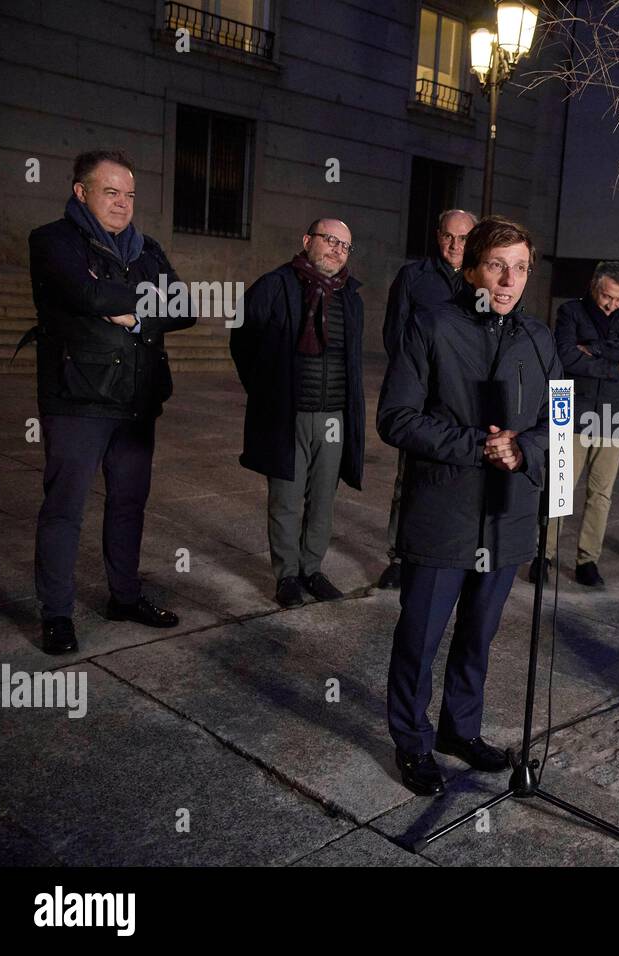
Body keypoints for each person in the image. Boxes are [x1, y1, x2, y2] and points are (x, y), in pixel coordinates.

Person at [377, 217, 560, 797]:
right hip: (444, 511)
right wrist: (477, 445)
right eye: (497, 266)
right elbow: (396, 418)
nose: (509, 280)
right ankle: (412, 741)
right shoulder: (431, 325)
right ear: (473, 268)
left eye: (521, 268)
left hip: (508, 514)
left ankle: (461, 729)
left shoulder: (540, 338)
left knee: (478, 635)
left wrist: (524, 449)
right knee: (421, 636)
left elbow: (560, 416)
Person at [26, 150, 192, 655]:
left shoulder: (147, 248)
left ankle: (125, 597)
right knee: (64, 510)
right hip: (77, 397)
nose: (123, 203)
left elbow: (184, 306)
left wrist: (131, 313)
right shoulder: (52, 240)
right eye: (111, 192)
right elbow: (85, 295)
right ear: (82, 193)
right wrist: (141, 298)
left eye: (129, 194)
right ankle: (57, 614)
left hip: (137, 399)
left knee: (128, 504)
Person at [230, 219, 365, 608]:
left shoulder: (350, 297)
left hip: (334, 417)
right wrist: (265, 389)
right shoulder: (275, 285)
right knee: (286, 500)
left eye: (345, 245)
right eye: (330, 240)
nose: (338, 249)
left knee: (323, 499)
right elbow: (242, 337)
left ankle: (312, 569)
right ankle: (287, 575)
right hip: (288, 413)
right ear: (307, 241)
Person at [377, 209, 477, 589]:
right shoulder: (412, 277)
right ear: (438, 236)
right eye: (449, 236)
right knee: (409, 480)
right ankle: (399, 557)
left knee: (460, 479)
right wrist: (417, 385)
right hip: (422, 401)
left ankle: (452, 552)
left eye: (464, 238)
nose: (455, 244)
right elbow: (395, 337)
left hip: (465, 400)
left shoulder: (481, 279)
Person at [536, 261, 619, 586]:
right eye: (607, 296)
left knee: (601, 494)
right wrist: (615, 366)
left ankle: (588, 561)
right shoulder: (570, 312)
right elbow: (566, 356)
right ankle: (543, 555)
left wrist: (598, 349)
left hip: (613, 414)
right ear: (594, 286)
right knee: (560, 489)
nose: (613, 304)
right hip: (571, 409)